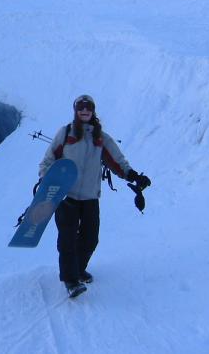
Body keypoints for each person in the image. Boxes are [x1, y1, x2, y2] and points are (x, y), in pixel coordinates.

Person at [38, 95, 151, 298]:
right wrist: (48, 182)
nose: (84, 112)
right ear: (75, 111)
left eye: (87, 109)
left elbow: (117, 161)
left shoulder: (101, 138)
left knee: (90, 239)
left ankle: (79, 269)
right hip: (67, 197)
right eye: (81, 109)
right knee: (68, 239)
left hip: (90, 197)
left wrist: (134, 176)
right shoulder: (65, 134)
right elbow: (48, 161)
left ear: (92, 111)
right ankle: (71, 280)